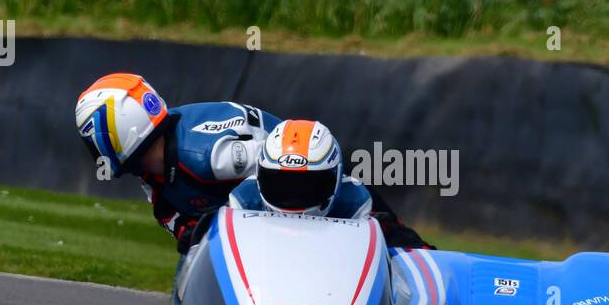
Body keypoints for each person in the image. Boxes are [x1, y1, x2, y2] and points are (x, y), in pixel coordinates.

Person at [74, 75, 431, 252]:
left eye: (94, 139)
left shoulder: (211, 156)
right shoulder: (154, 173)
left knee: (383, 231)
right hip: (270, 207)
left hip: (312, 177)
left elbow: (289, 173)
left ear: (118, 130)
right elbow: (182, 230)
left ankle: (421, 254)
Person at [228, 120, 372, 220]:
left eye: (307, 186)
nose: (292, 198)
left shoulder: (355, 201)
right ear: (260, 177)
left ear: (337, 179)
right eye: (281, 184)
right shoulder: (244, 201)